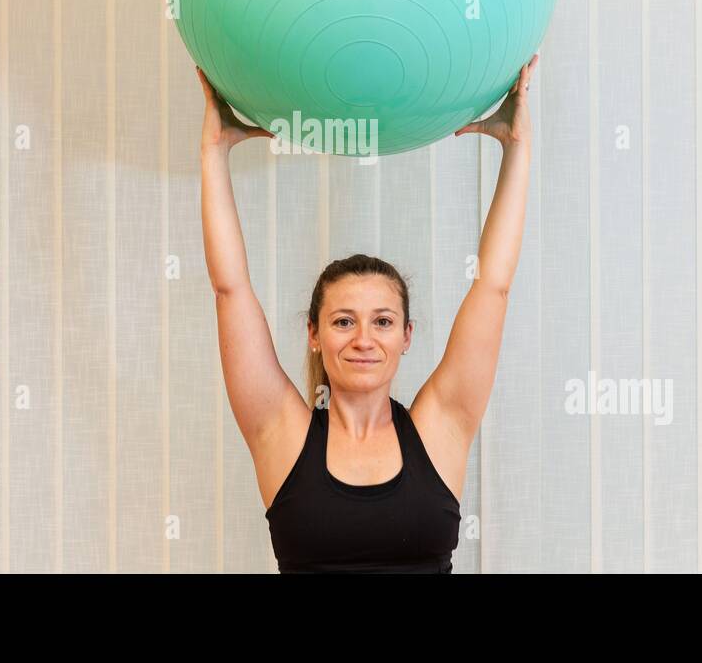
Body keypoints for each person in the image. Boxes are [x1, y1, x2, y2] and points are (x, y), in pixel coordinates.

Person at [197, 52, 537, 573]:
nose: (363, 339)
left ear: (407, 335)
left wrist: (516, 148)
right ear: (314, 334)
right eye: (342, 321)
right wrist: (214, 153)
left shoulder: (439, 428)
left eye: (382, 321)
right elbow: (230, 289)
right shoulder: (280, 432)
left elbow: (494, 286)